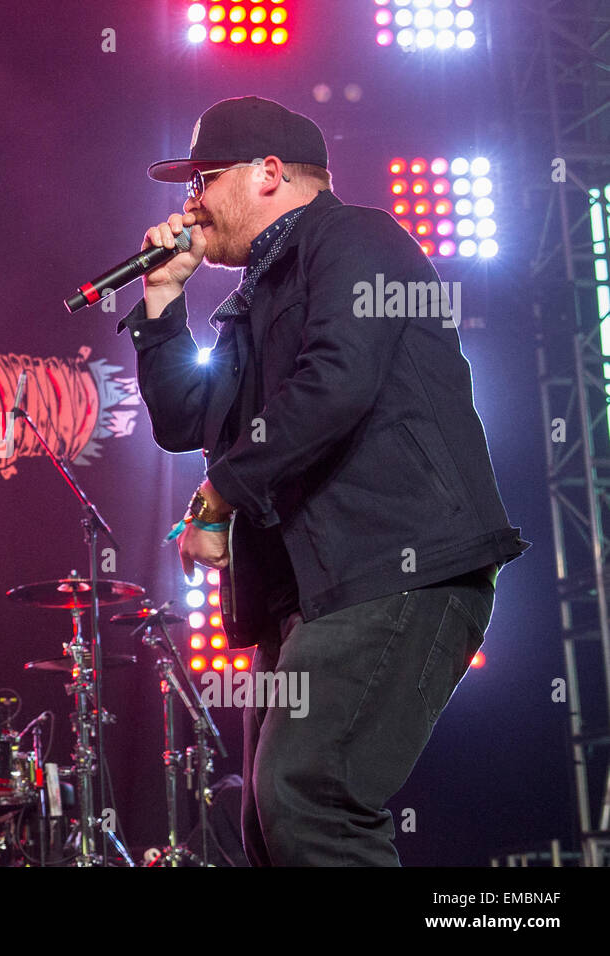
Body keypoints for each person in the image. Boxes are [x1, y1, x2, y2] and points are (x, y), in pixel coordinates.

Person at [118, 96, 528, 865]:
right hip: (306, 592)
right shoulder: (250, 303)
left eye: (203, 178)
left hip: (393, 566)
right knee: (273, 831)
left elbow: (337, 381)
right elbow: (184, 422)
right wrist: (163, 303)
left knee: (309, 797)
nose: (190, 203)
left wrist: (220, 495)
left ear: (269, 173)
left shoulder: (356, 238)